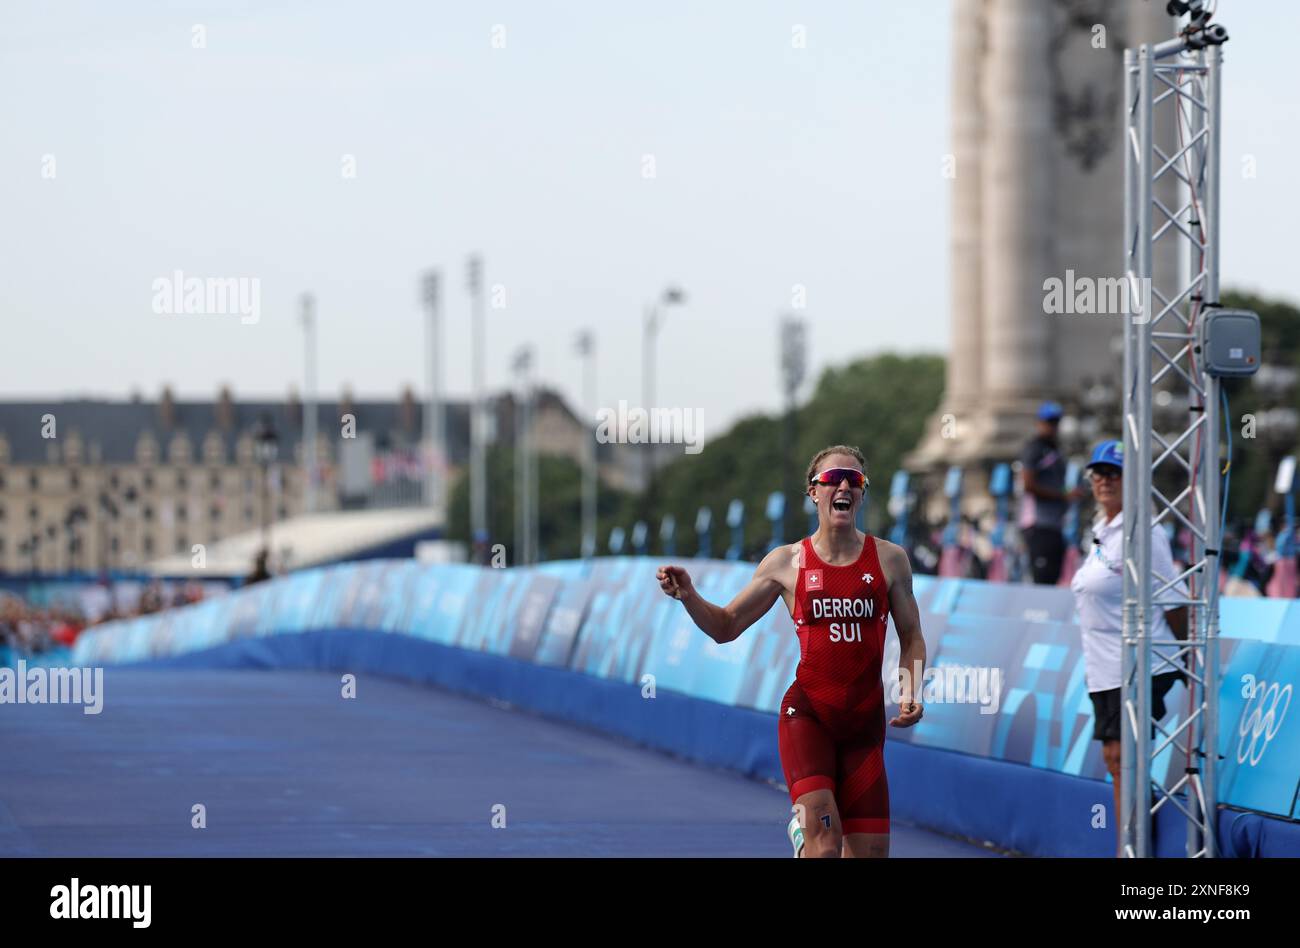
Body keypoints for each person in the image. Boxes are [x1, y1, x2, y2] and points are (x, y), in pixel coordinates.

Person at [656, 445, 926, 858]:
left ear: (862, 492)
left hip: (864, 727)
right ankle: (807, 836)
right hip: (809, 717)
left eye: (853, 480)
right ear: (813, 493)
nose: (843, 486)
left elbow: (911, 636)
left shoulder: (890, 560)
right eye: (832, 479)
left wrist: (910, 690)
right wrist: (689, 595)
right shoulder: (786, 563)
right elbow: (726, 627)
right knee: (825, 846)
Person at [1069, 439, 1188, 856]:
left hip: (1141, 663)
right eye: (1098, 473)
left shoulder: (1145, 531)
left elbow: (1172, 598)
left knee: (1124, 757)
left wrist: (1193, 660)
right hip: (1104, 667)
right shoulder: (1102, 531)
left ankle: (1133, 851)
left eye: (1113, 473)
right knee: (1116, 759)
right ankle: (1131, 845)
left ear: (1132, 480)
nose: (1104, 480)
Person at [1019, 401, 1085, 584]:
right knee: (1042, 578)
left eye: (1056, 422)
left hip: (1055, 525)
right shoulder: (1034, 448)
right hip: (1039, 524)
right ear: (1039, 423)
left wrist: (1068, 493)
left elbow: (1058, 485)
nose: (1053, 427)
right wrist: (1063, 495)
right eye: (1049, 422)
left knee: (1054, 576)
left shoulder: (1056, 449)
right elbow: (1028, 484)